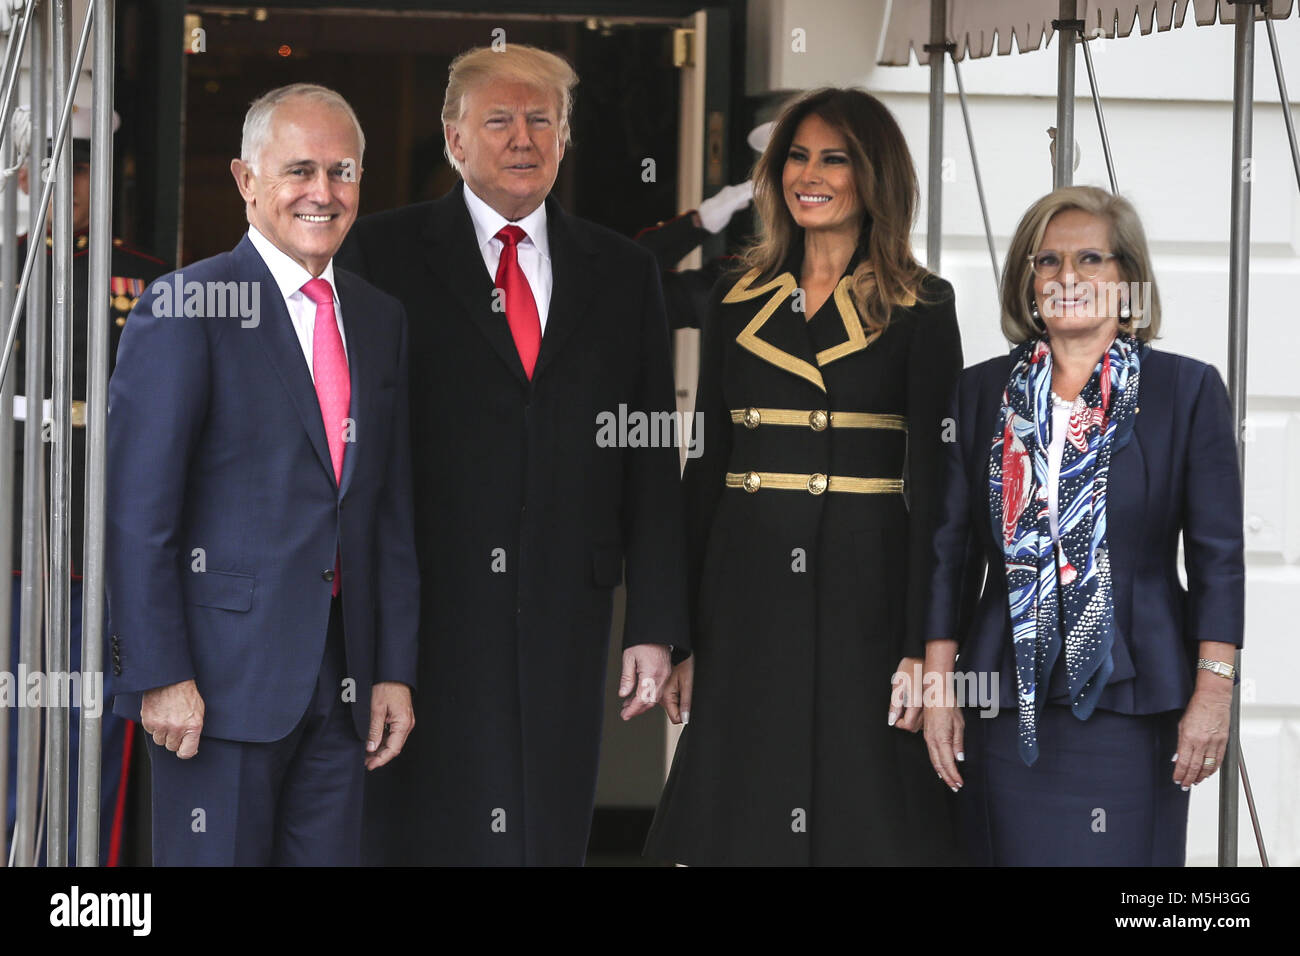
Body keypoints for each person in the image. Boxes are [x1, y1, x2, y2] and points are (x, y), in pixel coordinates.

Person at [338, 43, 688, 867]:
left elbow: (648, 453)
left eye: (542, 121)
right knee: (418, 816)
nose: (522, 138)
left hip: (569, 603)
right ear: (455, 140)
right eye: (499, 120)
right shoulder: (379, 256)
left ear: (565, 140)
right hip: (426, 599)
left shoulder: (623, 270)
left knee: (543, 819)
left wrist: (657, 623)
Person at [644, 87, 965, 865]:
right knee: (744, 815)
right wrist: (681, 635)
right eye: (796, 156)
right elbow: (705, 469)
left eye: (834, 158)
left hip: (869, 593)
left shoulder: (923, 304)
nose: (808, 174)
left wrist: (928, 649)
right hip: (746, 593)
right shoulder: (734, 294)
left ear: (874, 174)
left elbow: (941, 492)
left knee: (863, 818)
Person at [106, 83, 419, 866]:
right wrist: (160, 673)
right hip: (215, 689)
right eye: (300, 170)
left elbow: (387, 511)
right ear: (248, 181)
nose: (323, 193)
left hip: (344, 688)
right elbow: (139, 515)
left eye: (342, 172)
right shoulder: (186, 307)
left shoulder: (381, 319)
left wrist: (391, 672)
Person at [922, 186, 1244, 866]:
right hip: (1005, 699)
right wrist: (936, 688)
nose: (1067, 278)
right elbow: (949, 553)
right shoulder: (981, 393)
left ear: (1127, 279)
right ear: (1026, 279)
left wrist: (1214, 691)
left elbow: (1218, 556)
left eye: (1090, 259)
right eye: (1048, 261)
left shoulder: (1185, 391)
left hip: (1135, 700)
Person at [4, 94, 169, 865]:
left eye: (77, 168)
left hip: (96, 562)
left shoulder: (149, 284)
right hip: (9, 552)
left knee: (90, 747)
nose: (59, 183)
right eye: (42, 165)